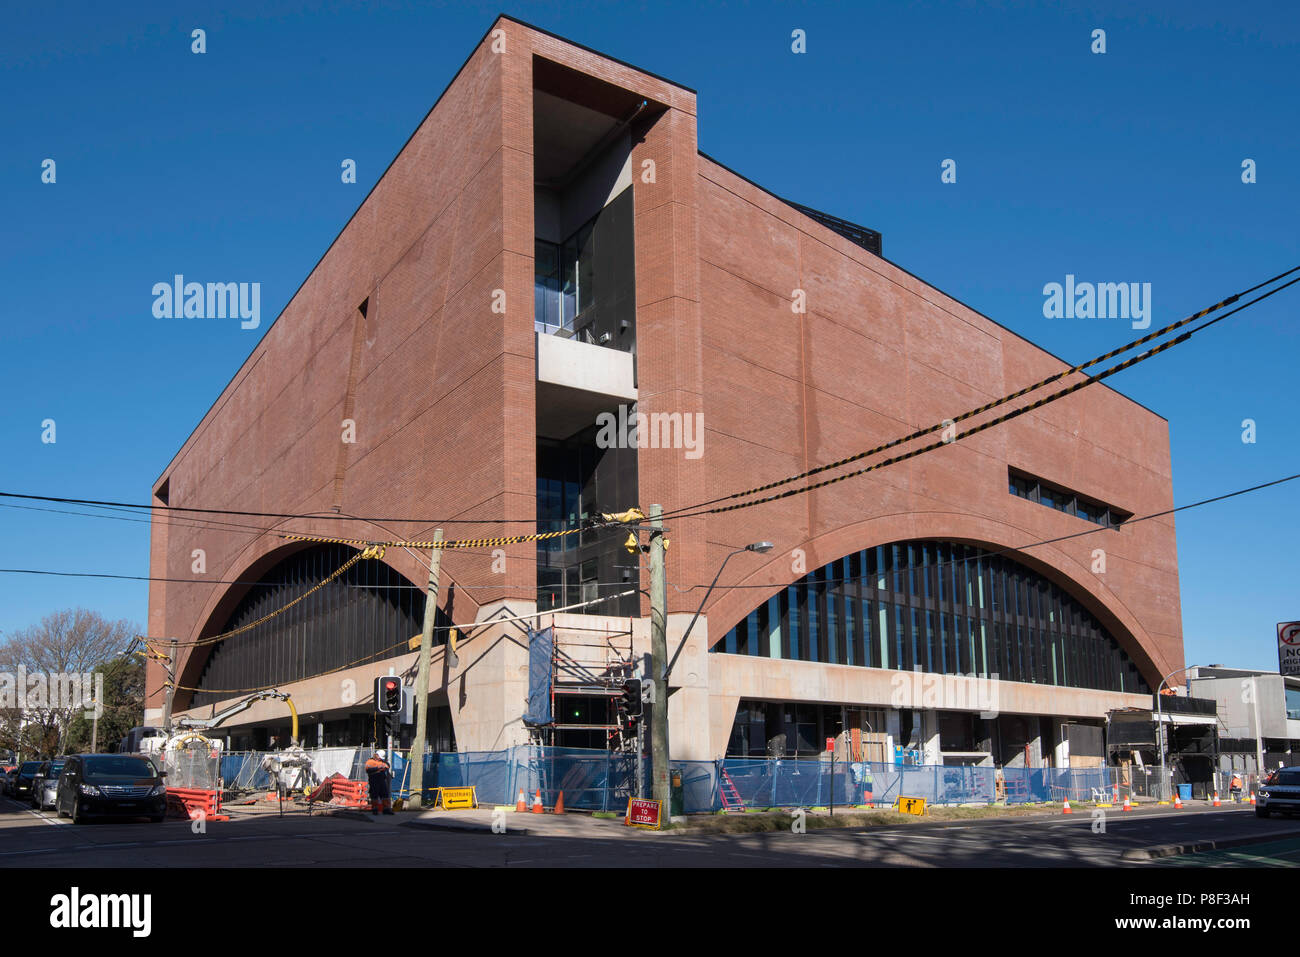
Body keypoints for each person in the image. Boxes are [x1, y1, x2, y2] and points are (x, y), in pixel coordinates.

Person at [365, 749, 394, 815]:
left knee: (385, 794)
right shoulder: (370, 762)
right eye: (380, 757)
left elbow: (387, 765)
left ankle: (386, 809)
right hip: (374, 780)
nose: (380, 759)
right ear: (376, 755)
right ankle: (375, 809)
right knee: (374, 795)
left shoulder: (382, 761)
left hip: (382, 780)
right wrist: (378, 767)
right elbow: (368, 770)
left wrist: (385, 766)